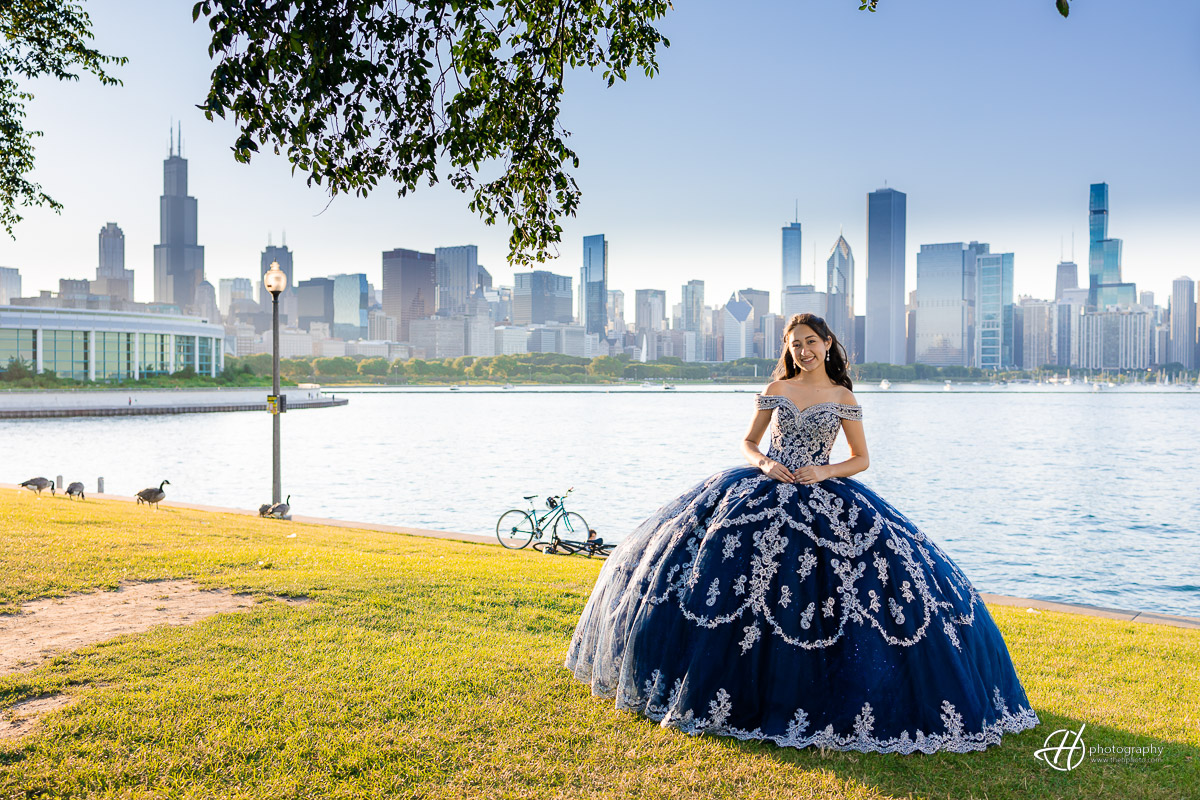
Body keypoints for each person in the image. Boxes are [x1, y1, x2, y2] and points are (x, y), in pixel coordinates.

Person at [565, 313, 1039, 754]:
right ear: (787, 349)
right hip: (763, 485)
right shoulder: (776, 387)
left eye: (811, 342)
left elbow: (861, 459)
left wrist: (824, 472)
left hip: (821, 488)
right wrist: (765, 462)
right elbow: (749, 442)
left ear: (828, 343)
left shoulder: (842, 398)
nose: (804, 351)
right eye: (795, 345)